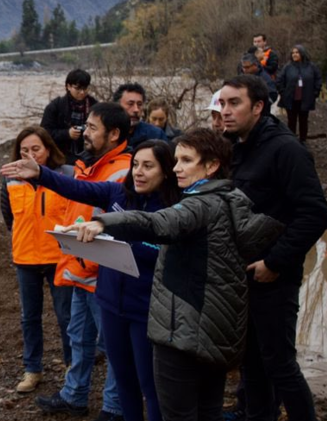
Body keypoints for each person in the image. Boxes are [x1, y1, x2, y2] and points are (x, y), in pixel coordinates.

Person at [64, 128, 283, 421]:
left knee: (174, 411)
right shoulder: (232, 199)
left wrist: (103, 222)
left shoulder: (199, 204)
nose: (176, 167)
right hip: (218, 327)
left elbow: (159, 223)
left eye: (186, 160)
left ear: (212, 165)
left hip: (184, 328)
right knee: (207, 410)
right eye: (176, 160)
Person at [1, 139, 181, 421]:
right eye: (135, 165)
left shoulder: (173, 210)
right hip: (110, 304)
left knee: (151, 385)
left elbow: (163, 253)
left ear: (167, 171)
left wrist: (122, 241)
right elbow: (77, 187)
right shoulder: (117, 194)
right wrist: (41, 173)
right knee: (124, 381)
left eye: (148, 166)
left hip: (146, 310)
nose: (139, 172)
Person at [219, 74, 327, 421]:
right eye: (221, 103)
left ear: (258, 107)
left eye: (234, 103)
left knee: (280, 365)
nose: (225, 110)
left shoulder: (286, 149)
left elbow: (315, 215)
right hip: (244, 276)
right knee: (251, 362)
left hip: (274, 279)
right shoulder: (240, 145)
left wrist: (276, 262)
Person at [36, 102, 133, 421]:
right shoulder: (87, 164)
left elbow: (116, 226)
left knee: (115, 346)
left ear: (114, 133)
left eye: (93, 128)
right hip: (79, 268)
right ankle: (74, 395)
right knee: (79, 339)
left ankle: (114, 407)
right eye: (86, 127)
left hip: (102, 273)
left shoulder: (124, 171)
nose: (85, 133)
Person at [0, 126, 72, 393]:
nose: (30, 155)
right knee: (29, 317)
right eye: (24, 151)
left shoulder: (66, 176)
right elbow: (9, 217)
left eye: (36, 149)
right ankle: (32, 370)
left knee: (66, 316)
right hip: (25, 257)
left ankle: (71, 366)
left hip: (58, 256)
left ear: (49, 149)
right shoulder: (10, 180)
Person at [42, 69, 98, 163]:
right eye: (78, 88)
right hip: (60, 156)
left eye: (85, 88)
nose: (82, 92)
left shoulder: (94, 106)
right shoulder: (56, 106)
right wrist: (67, 133)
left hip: (88, 155)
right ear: (68, 86)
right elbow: (44, 133)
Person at [275, 45, 323, 144]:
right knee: (291, 121)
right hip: (290, 98)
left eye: (297, 52)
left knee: (303, 120)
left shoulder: (311, 66)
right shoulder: (287, 67)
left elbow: (318, 79)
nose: (294, 55)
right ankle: (291, 141)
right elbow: (279, 80)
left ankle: (303, 140)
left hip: (306, 97)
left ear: (302, 53)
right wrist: (283, 93)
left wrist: (315, 92)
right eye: (293, 53)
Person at [113, 83, 167, 150]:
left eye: (139, 104)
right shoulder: (108, 133)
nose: (136, 109)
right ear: (117, 106)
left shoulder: (155, 135)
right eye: (130, 104)